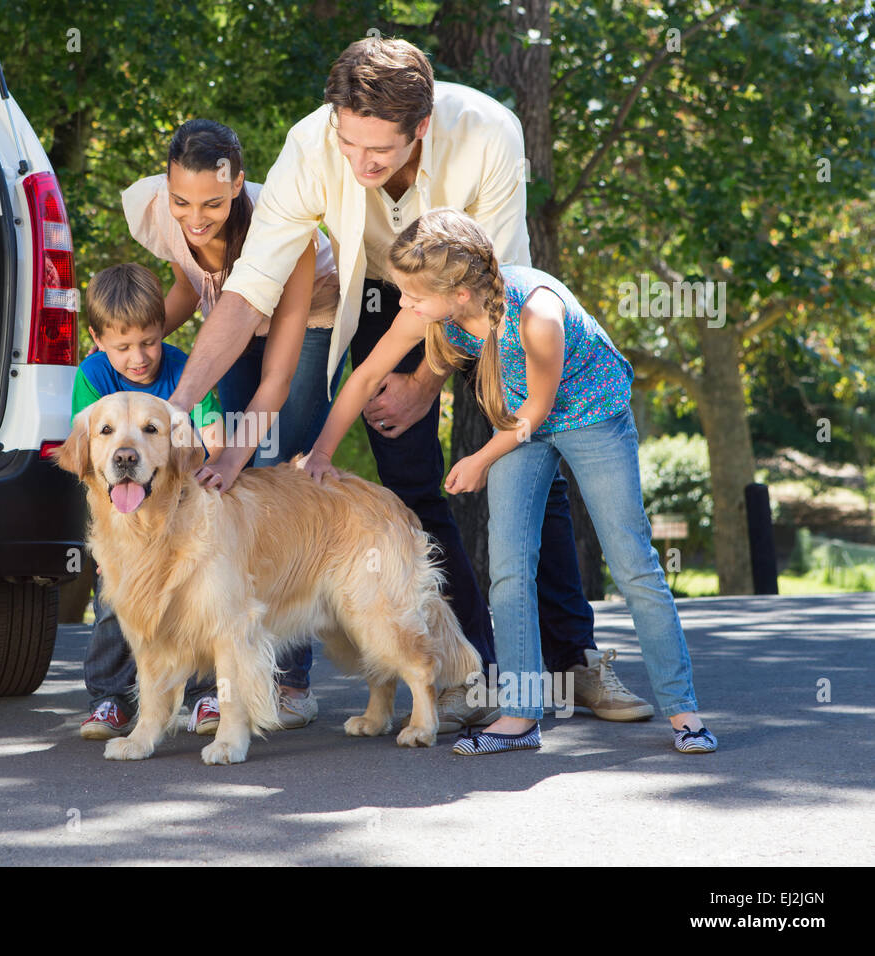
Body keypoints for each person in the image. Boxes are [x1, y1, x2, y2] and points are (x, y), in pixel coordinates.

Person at [166, 36, 652, 730]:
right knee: (410, 484)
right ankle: (465, 677)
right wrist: (177, 405)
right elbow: (247, 293)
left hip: (476, 302)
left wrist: (428, 378)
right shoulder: (310, 146)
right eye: (348, 144)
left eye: (379, 153)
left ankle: (573, 658)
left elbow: (497, 294)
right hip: (373, 295)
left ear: (420, 128)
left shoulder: (487, 134)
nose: (360, 164)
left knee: (529, 462)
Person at [302, 207, 717, 755]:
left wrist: (478, 460)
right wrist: (321, 455)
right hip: (519, 424)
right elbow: (366, 377)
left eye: (413, 296)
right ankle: (520, 717)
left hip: (590, 415)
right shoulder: (437, 311)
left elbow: (538, 410)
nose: (404, 305)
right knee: (509, 570)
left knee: (634, 565)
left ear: (459, 294)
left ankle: (684, 713)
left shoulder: (536, 313)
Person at [121, 118, 342, 728]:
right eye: (183, 200)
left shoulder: (286, 230)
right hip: (230, 326)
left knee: (272, 471)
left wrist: (233, 455)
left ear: (240, 186)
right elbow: (191, 287)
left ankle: (290, 680)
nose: (195, 216)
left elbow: (276, 378)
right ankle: (226, 667)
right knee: (226, 491)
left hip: (306, 332)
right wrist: (132, 348)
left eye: (214, 203)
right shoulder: (161, 211)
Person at [72, 263, 226, 740]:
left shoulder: (185, 369)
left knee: (195, 602)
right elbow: (88, 461)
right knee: (115, 603)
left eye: (149, 341)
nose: (138, 359)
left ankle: (206, 698)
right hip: (123, 522)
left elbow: (216, 443)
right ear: (97, 339)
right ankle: (110, 699)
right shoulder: (93, 375)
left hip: (182, 516)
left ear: (164, 328)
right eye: (122, 347)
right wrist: (107, 544)